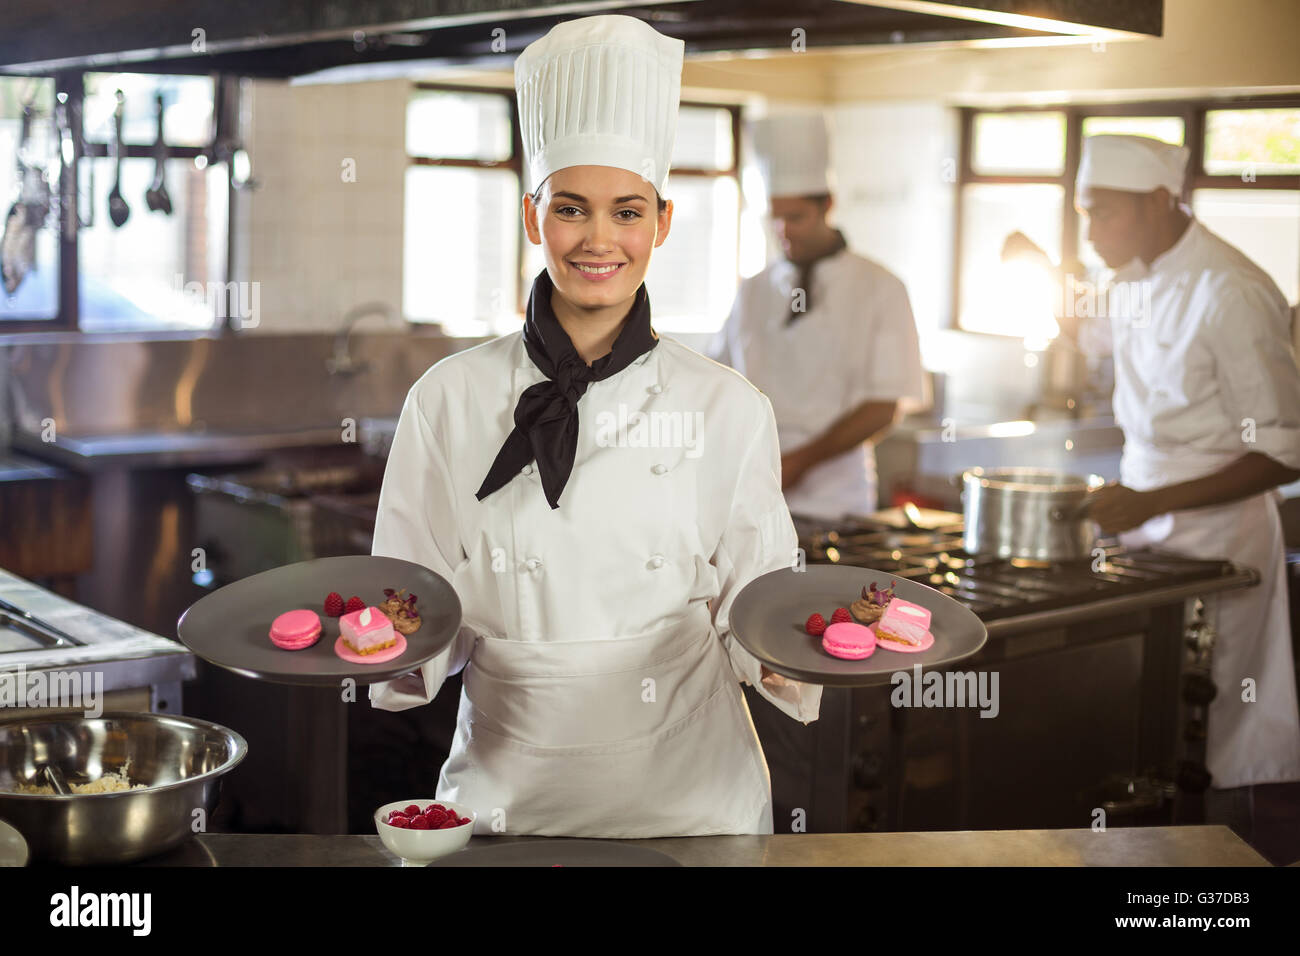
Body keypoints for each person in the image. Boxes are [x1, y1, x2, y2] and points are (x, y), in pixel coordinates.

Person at [368, 14, 822, 838]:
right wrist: (365, 644)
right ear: (534, 217)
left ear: (663, 223)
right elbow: (411, 607)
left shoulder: (728, 408)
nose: (601, 240)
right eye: (572, 209)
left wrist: (815, 646)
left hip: (693, 805)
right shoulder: (448, 398)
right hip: (505, 802)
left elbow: (759, 604)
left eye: (628, 211)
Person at [1067, 134, 1300, 807]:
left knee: (1215, 718)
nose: (1091, 233)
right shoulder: (1133, 278)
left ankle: (1227, 855)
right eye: (1085, 213)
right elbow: (1089, 336)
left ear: (1160, 201)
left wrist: (1152, 500)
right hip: (1148, 525)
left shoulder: (1232, 291)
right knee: (1149, 715)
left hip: (1221, 540)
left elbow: (1284, 450)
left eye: (1102, 214)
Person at [708, 112, 926, 521]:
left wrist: (797, 463)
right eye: (774, 216)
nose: (783, 231)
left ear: (828, 204)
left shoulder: (882, 288)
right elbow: (716, 381)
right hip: (751, 495)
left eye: (796, 218)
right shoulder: (753, 290)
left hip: (835, 503)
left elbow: (883, 407)